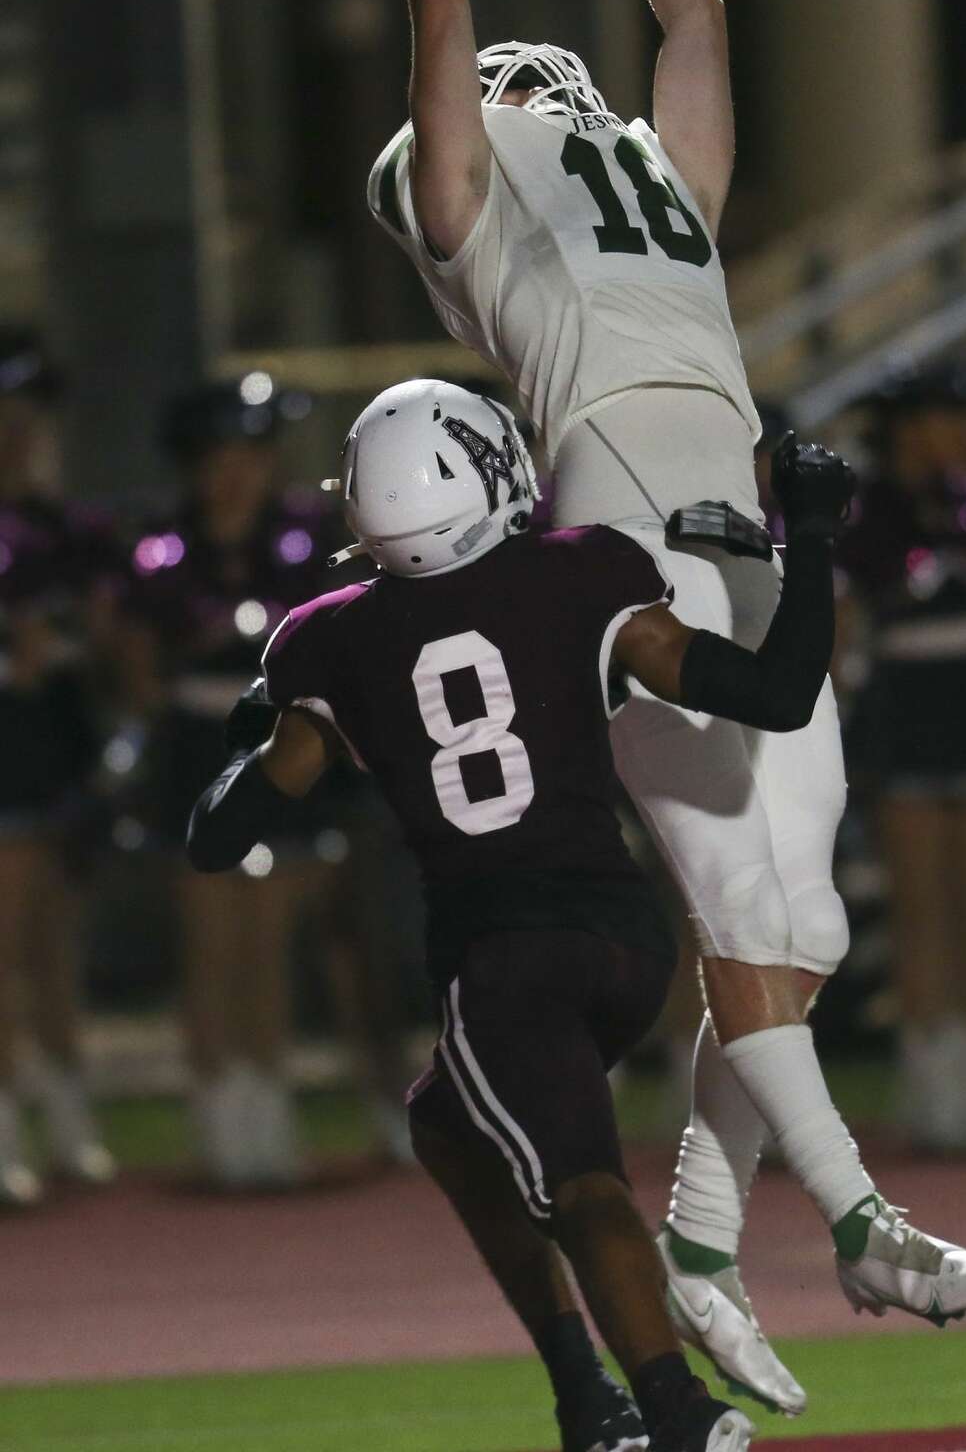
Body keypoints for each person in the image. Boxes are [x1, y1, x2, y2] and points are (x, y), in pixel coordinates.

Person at [367, 0, 966, 1414]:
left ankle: (708, 1243)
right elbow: (443, 5)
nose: (531, 75)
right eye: (503, 83)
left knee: (809, 924)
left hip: (745, 516)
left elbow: (701, 23)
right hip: (624, 527)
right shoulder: (473, 200)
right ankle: (863, 1221)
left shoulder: (651, 181)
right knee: (738, 909)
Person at [188, 380, 857, 1452]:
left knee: (580, 1187)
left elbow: (218, 838)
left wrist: (252, 740)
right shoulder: (585, 571)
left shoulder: (330, 640)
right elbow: (778, 693)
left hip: (503, 957)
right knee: (449, 1127)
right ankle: (585, 1399)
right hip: (624, 937)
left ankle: (678, 1414)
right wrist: (812, 536)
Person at [121, 377, 347, 1188]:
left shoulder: (302, 539)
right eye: (221, 457)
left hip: (281, 744)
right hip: (197, 748)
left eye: (252, 456)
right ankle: (219, 1116)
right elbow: (137, 669)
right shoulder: (164, 547)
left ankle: (268, 1110)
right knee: (212, 946)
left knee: (268, 947)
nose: (238, 474)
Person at [838, 361, 966, 1151]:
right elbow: (865, 594)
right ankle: (929, 1077)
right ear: (905, 430)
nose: (962, 433)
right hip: (907, 697)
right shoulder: (868, 505)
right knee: (921, 905)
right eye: (943, 419)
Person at [0, 328, 119, 1204]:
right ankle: (7, 1129)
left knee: (52, 947)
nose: (16, 434)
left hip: (59, 751)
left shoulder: (67, 529)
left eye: (27, 417)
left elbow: (102, 639)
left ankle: (70, 1117)